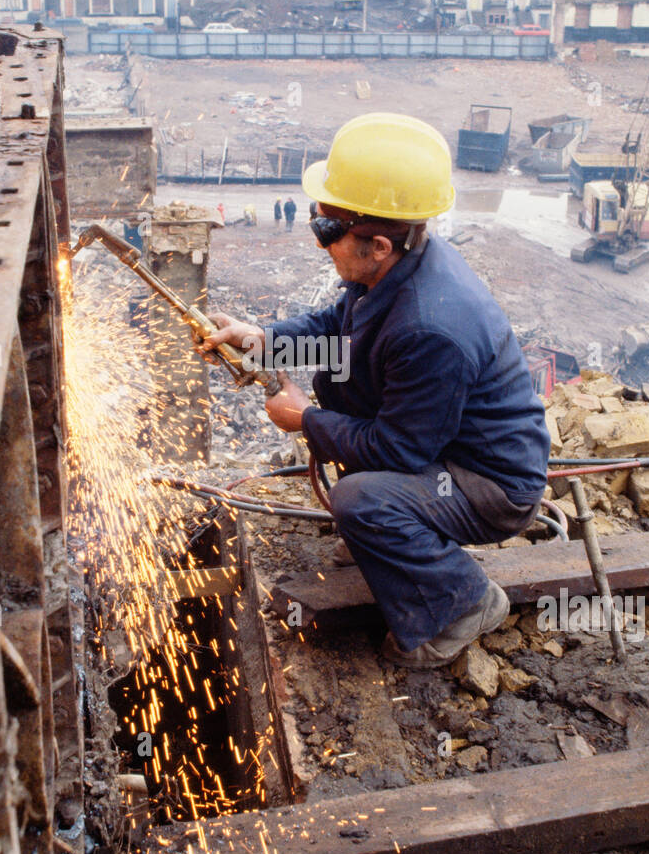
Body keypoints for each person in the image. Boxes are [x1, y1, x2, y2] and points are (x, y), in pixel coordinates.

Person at [204, 113, 551, 670]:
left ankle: (465, 603)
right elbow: (335, 329)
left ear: (380, 244)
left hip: (489, 484)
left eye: (326, 230)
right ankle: (394, 544)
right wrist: (263, 343)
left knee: (361, 500)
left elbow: (397, 451)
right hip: (441, 447)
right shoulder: (396, 271)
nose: (321, 245)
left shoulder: (430, 326)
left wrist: (305, 421)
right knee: (348, 403)